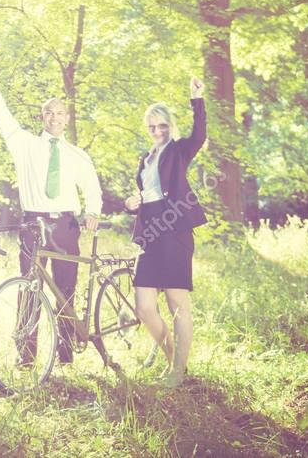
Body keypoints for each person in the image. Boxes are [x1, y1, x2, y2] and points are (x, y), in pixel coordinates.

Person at [0, 55, 102, 363]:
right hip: (33, 225)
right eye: (49, 112)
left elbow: (92, 186)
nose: (54, 116)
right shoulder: (24, 145)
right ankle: (26, 355)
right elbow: (2, 117)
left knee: (65, 288)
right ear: (43, 117)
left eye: (60, 112)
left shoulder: (76, 155)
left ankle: (65, 354)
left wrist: (93, 212)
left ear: (66, 118)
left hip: (65, 225)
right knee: (30, 286)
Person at [124, 76, 207, 388]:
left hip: (174, 231)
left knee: (176, 304)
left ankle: (176, 371)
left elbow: (199, 136)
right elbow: (147, 194)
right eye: (152, 127)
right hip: (150, 232)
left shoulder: (179, 150)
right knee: (144, 306)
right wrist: (132, 202)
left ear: (170, 126)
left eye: (162, 126)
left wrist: (196, 99)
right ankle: (174, 360)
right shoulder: (145, 158)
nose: (158, 131)